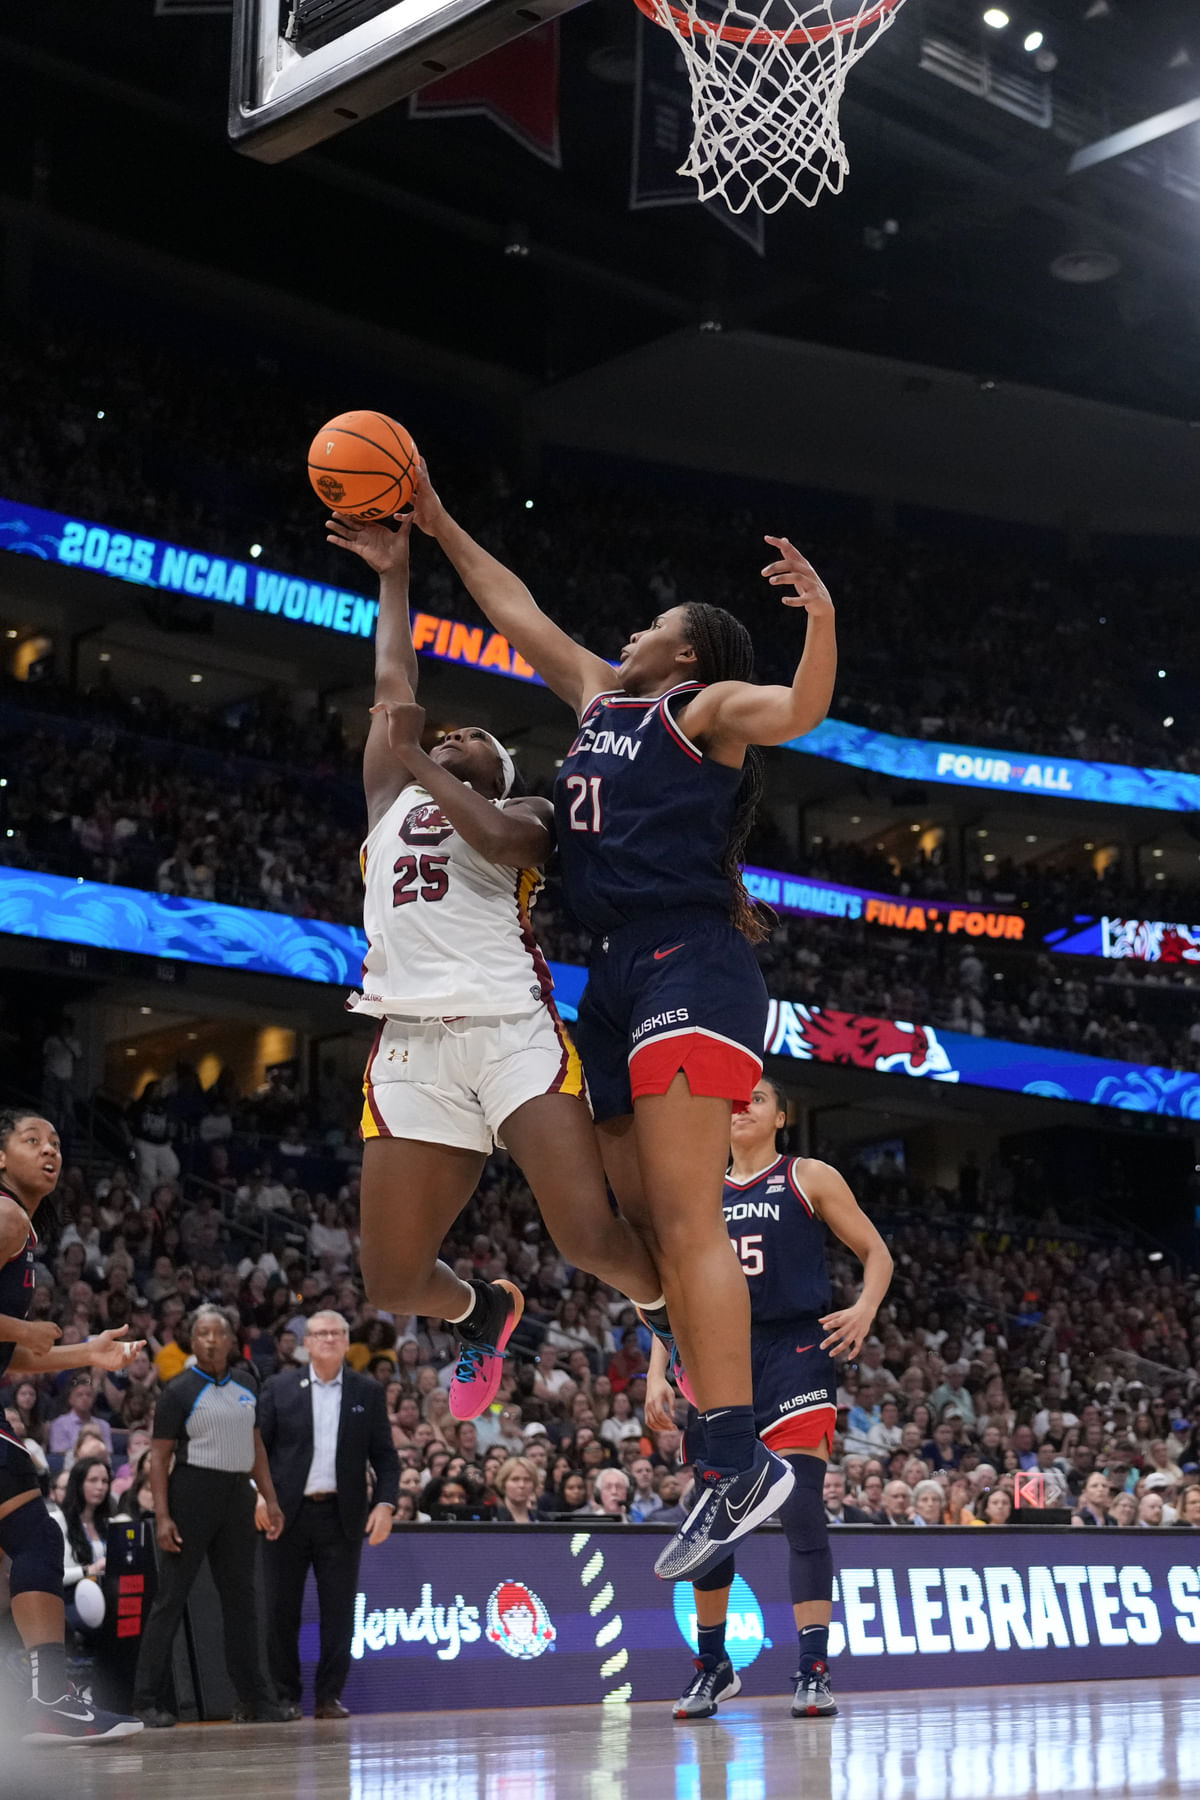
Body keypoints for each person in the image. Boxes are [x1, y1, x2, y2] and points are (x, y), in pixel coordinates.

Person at [408, 467, 838, 1583]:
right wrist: (440, 518)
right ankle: (683, 1351)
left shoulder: (705, 713)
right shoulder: (604, 699)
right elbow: (514, 612)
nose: (633, 632)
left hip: (693, 962)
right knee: (609, 1222)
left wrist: (822, 619)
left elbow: (797, 709)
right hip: (612, 979)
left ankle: (735, 1462)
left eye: (655, 625)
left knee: (691, 1217)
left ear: (688, 655)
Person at [327, 510, 672, 1428]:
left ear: (497, 765)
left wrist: (417, 759)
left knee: (588, 1237)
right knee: (393, 1278)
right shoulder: (388, 795)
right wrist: (393, 576)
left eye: (473, 737)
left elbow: (493, 836)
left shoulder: (530, 806)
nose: (456, 732)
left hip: (512, 1030)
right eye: (446, 734)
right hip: (410, 1043)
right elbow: (393, 683)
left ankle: (667, 1318)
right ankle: (485, 1311)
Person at [648, 1077, 892, 1721]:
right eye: (733, 1098)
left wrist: (865, 1306)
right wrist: (656, 1371)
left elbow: (876, 1251)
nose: (741, 1107)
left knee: (803, 1508)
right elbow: (670, 1291)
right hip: (714, 1356)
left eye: (756, 1098)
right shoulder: (698, 1188)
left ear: (783, 1115)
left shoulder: (808, 1176)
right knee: (711, 1519)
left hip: (794, 1352)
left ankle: (813, 1668)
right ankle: (712, 1666)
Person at [0, 1109, 144, 1741]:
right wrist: (18, 1327)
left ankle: (41, 1698)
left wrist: (91, 1353)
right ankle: (51, 1699)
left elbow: (16, 1357)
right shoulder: (4, 1216)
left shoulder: (19, 1227)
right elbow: (16, 1339)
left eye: (56, 1142)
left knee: (26, 1541)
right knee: (36, 1538)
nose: (49, 1151)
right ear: (0, 1156)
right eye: (31, 1141)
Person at [132, 1306, 287, 1728]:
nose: (212, 1341)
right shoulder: (178, 1390)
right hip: (191, 1493)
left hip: (238, 1494)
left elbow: (256, 1447)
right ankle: (145, 1700)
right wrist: (162, 1517)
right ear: (192, 1340)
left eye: (218, 1334)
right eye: (202, 1334)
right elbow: (159, 1458)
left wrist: (269, 1500)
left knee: (242, 1600)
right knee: (171, 1598)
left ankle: (254, 1699)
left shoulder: (246, 1382)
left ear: (232, 1341)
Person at [256, 1309, 400, 1719]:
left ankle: (328, 1697)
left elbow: (386, 1459)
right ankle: (284, 1697)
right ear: (306, 1342)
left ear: (347, 1340)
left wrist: (385, 1504)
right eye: (320, 1333)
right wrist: (258, 1496)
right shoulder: (280, 1387)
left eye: (337, 1332)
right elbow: (257, 1449)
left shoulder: (367, 1391)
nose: (329, 1339)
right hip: (286, 1514)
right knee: (281, 1610)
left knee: (339, 1612)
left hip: (342, 1515)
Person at [493, 1456, 539, 1523]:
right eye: (515, 1479)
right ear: (503, 1483)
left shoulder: (543, 1520)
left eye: (527, 1480)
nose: (522, 1485)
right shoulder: (491, 1518)